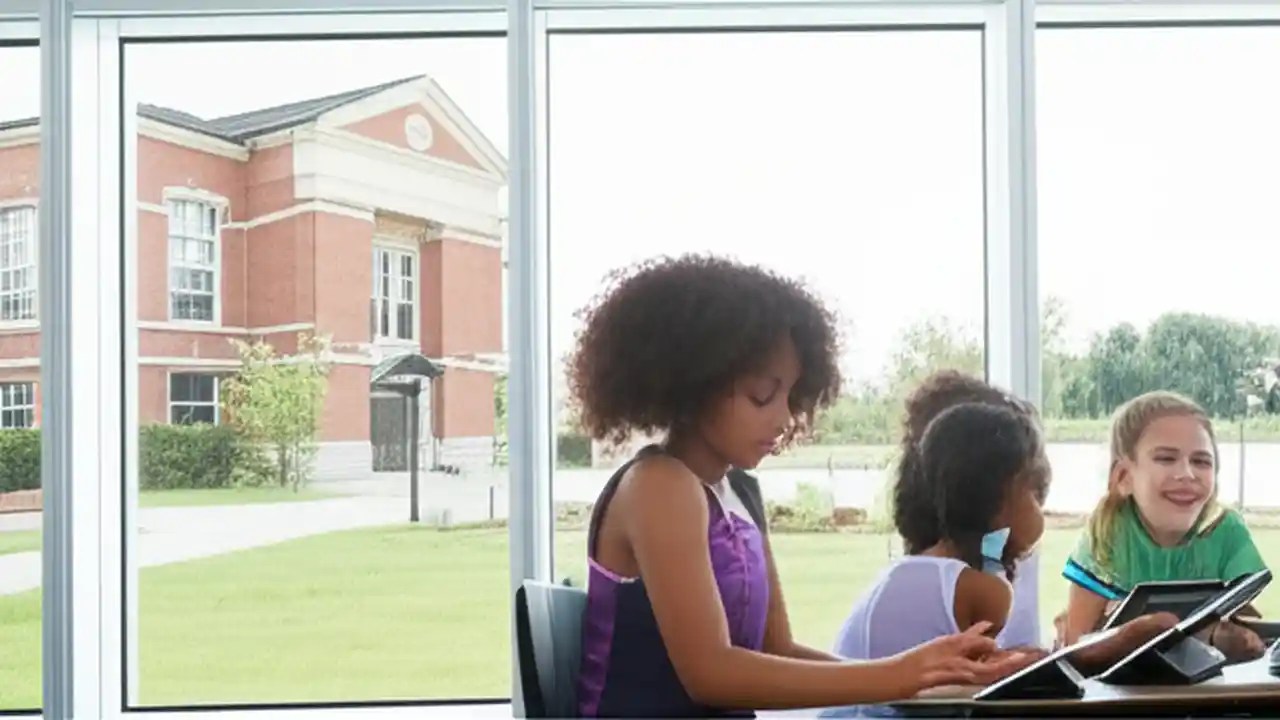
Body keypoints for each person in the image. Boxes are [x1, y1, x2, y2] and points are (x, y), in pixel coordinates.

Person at [569, 255, 1030, 717]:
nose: (784, 417)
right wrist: (900, 674)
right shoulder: (658, 485)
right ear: (692, 384)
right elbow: (710, 674)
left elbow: (778, 649)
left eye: (791, 397)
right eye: (762, 396)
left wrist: (925, 679)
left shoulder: (740, 494)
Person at [833, 402, 1050, 663]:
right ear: (997, 499)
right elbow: (983, 681)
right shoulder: (985, 592)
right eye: (1033, 490)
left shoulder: (912, 569)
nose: (1039, 508)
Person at [1061, 391, 1268, 661]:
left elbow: (1249, 631)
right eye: (1166, 459)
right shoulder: (1108, 533)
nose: (1186, 474)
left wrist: (1228, 635)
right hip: (1121, 693)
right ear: (1124, 476)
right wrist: (1132, 635)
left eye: (1201, 461)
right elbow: (1075, 647)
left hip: (1205, 692)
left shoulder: (1224, 530)